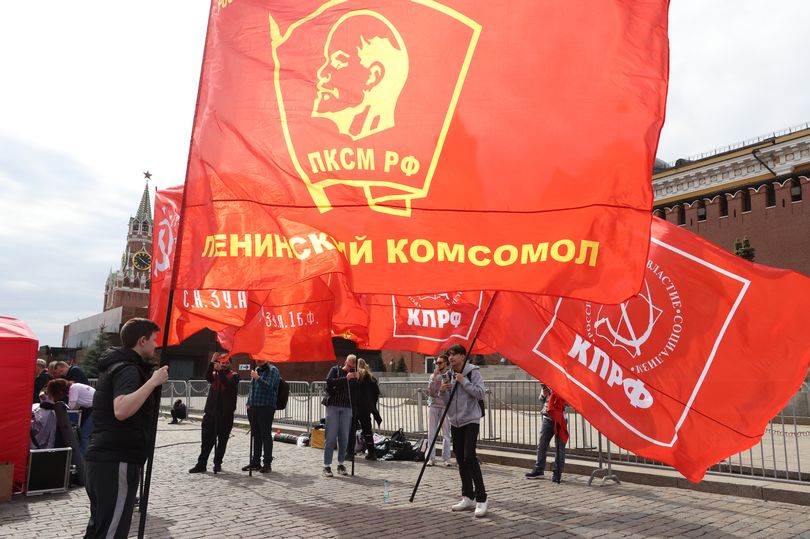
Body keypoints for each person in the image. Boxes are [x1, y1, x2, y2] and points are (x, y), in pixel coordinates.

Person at [82, 318, 169, 539]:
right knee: (112, 530)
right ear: (142, 340)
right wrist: (153, 382)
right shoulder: (127, 369)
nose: (155, 345)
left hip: (106, 457)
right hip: (116, 459)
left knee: (100, 527)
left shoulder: (117, 365)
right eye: (153, 340)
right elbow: (121, 409)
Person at [440, 343, 488, 518]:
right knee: (460, 458)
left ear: (462, 356)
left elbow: (480, 393)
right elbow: (447, 401)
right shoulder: (448, 374)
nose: (450, 358)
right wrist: (442, 392)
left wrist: (464, 381)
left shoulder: (473, 372)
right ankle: (468, 496)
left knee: (470, 456)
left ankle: (482, 498)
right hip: (455, 421)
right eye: (449, 355)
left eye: (454, 354)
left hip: (470, 420)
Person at [190, 352, 239, 473]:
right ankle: (201, 464)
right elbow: (207, 377)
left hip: (225, 415)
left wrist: (220, 372)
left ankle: (217, 463)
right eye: (222, 362)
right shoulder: (214, 374)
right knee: (206, 441)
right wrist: (212, 362)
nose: (224, 365)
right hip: (211, 413)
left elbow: (228, 384)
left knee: (222, 442)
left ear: (230, 364)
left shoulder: (234, 376)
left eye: (227, 362)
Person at [322, 354, 358, 477]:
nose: (350, 369)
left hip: (347, 408)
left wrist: (358, 380)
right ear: (345, 362)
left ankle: (341, 464)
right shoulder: (335, 370)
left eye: (352, 367)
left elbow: (358, 393)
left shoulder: (355, 376)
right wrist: (345, 379)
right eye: (348, 365)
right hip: (333, 406)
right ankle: (326, 466)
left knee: (344, 438)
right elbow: (329, 382)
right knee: (331, 437)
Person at [525, 383, 569, 483]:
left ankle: (557, 473)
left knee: (560, 448)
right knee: (542, 445)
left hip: (560, 418)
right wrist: (545, 393)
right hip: (547, 418)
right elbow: (541, 399)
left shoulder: (564, 383)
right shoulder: (548, 381)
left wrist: (555, 391)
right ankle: (539, 470)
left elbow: (567, 402)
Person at [242, 359, 280, 474]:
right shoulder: (257, 370)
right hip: (254, 407)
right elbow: (252, 388)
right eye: (257, 358)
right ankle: (255, 462)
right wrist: (248, 403)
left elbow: (269, 386)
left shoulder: (273, 370)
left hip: (266, 406)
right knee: (256, 435)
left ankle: (267, 463)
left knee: (265, 435)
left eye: (261, 358)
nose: (258, 360)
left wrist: (257, 378)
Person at [46, 378, 96, 456]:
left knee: (84, 435)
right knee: (85, 434)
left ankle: (84, 459)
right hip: (95, 408)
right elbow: (76, 405)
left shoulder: (73, 389)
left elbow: (71, 406)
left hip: (95, 409)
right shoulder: (75, 387)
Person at [426, 353, 453, 467]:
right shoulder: (433, 376)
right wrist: (433, 378)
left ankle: (446, 458)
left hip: (445, 406)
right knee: (431, 433)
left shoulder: (450, 374)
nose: (438, 364)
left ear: (446, 363)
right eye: (436, 363)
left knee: (446, 434)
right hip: (433, 405)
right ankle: (431, 458)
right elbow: (431, 393)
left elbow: (450, 391)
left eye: (440, 362)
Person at [354, 358, 382, 461]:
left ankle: (349, 451)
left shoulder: (357, 377)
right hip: (366, 408)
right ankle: (371, 452)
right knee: (367, 431)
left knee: (351, 429)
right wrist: (371, 404)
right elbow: (376, 393)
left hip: (357, 407)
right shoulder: (371, 378)